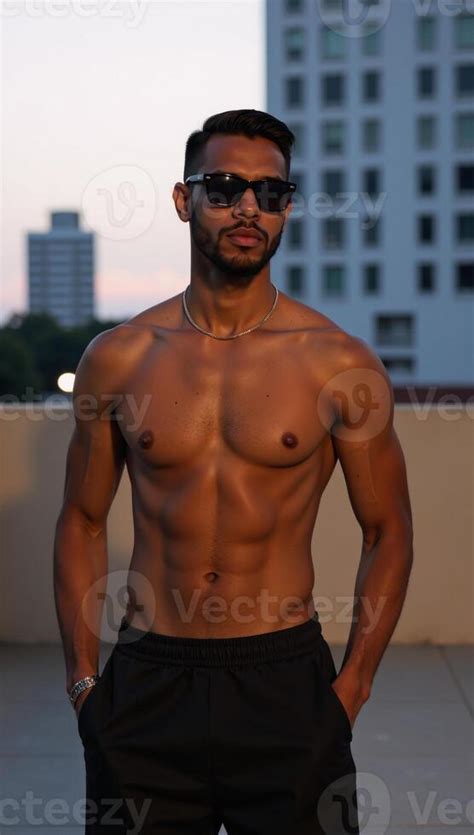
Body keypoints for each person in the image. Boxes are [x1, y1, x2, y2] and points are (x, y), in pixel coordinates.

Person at [53, 108, 414, 835]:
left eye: (270, 192)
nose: (249, 207)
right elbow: (82, 521)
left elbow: (388, 531)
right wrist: (86, 685)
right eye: (223, 188)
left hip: (285, 683)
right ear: (184, 200)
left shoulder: (338, 362)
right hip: (148, 679)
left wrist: (351, 688)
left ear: (288, 209)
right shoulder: (119, 358)